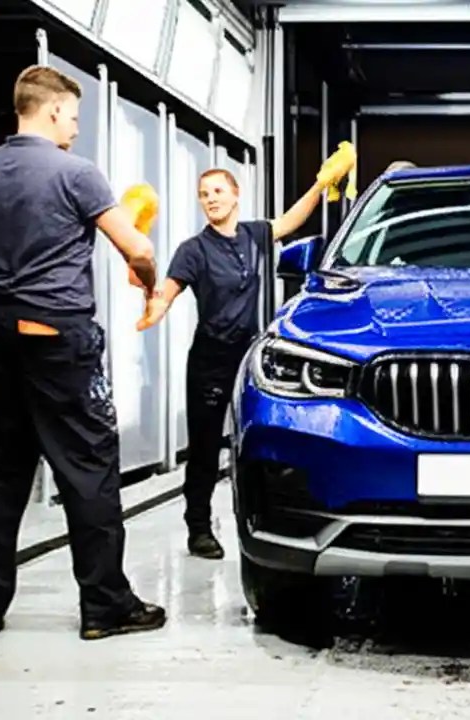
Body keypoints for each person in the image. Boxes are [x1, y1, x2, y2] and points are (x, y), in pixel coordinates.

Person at [0, 65, 168, 643]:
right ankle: (106, 606)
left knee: (0, 470)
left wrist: (3, 259)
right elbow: (137, 246)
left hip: (0, 335)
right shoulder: (76, 173)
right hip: (61, 338)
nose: (75, 129)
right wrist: (147, 280)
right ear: (54, 109)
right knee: (88, 469)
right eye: (74, 117)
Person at [138, 156, 354, 560]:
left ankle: (266, 518)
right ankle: (199, 529)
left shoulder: (255, 235)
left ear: (235, 195)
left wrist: (322, 183)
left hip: (249, 356)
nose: (210, 199)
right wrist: (148, 292)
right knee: (205, 449)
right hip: (210, 359)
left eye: (218, 191)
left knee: (256, 441)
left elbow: (289, 221)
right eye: (204, 194)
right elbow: (164, 297)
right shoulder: (192, 251)